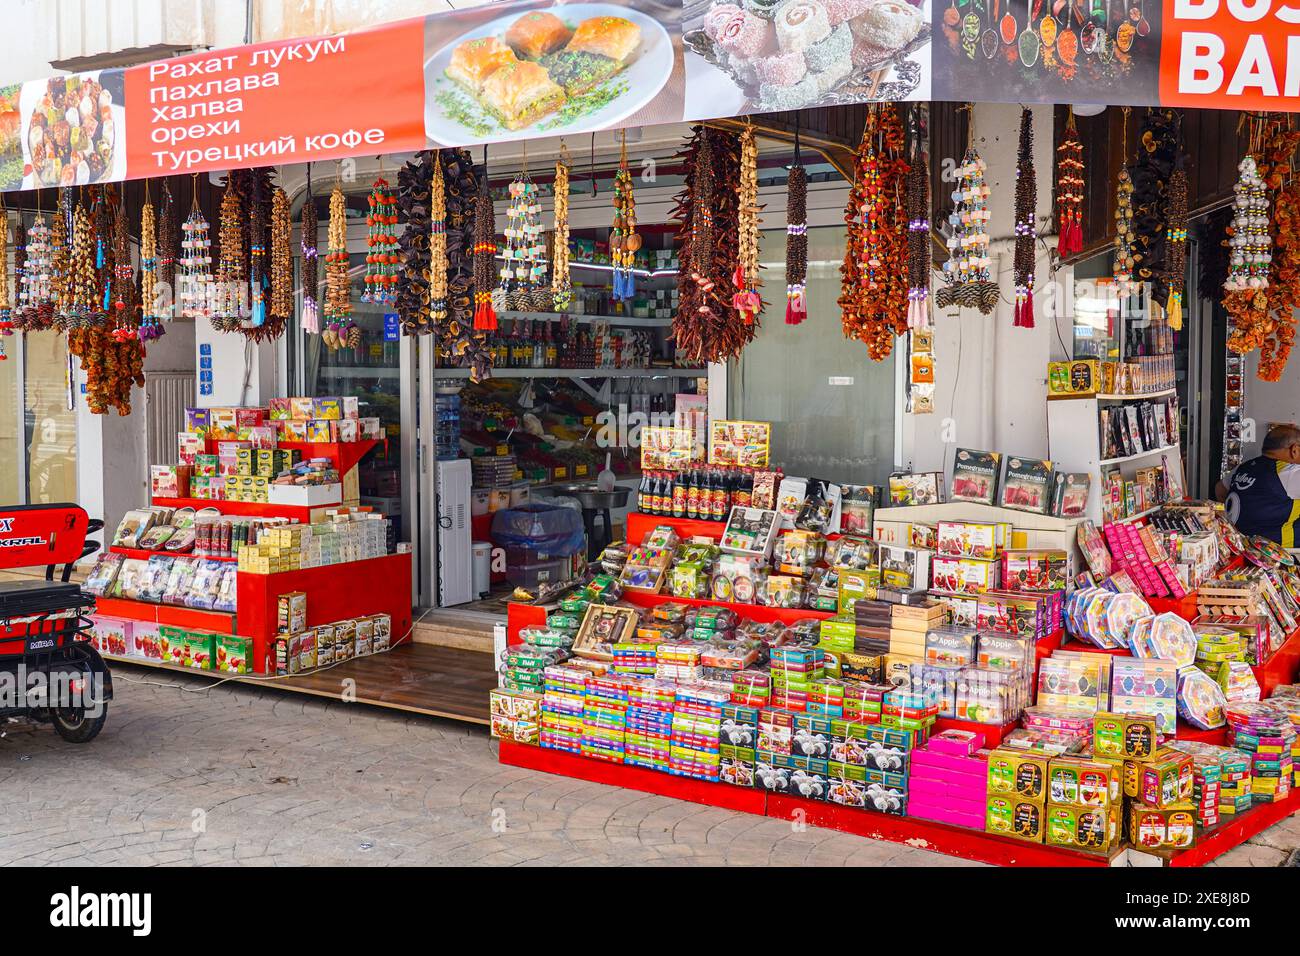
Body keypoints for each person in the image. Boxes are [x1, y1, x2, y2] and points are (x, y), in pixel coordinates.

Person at [1215, 423, 1300, 546]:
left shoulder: (1244, 467)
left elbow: (1219, 490)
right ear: (1295, 450)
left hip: (1240, 548)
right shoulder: (1291, 473)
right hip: (1278, 556)